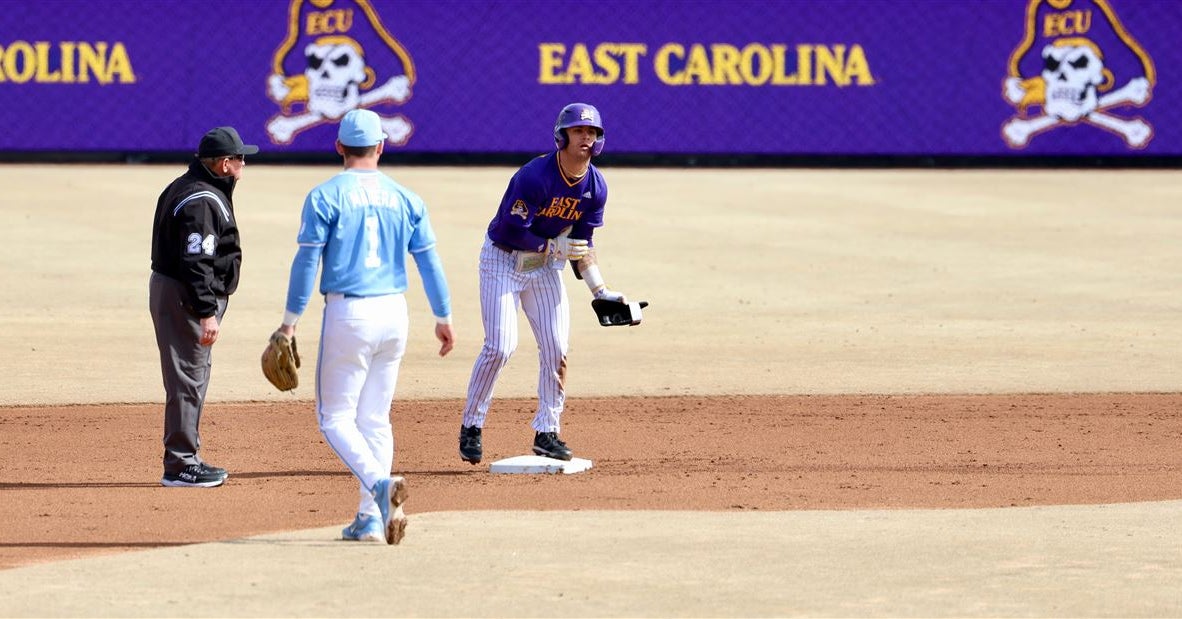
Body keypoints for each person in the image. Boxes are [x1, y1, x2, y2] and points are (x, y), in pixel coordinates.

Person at [273, 108, 454, 545]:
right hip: (395, 313)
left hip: (349, 313)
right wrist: (443, 315)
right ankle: (370, 519)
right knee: (374, 418)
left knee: (334, 417)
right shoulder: (407, 197)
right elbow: (428, 260)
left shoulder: (325, 195)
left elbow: (307, 262)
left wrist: (289, 323)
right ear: (380, 146)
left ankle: (379, 484)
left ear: (338, 147)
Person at [458, 102, 628, 465]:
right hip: (502, 259)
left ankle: (547, 431)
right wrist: (553, 247)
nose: (586, 137)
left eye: (592, 132)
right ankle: (472, 424)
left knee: (557, 348)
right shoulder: (534, 176)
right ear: (562, 135)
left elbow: (583, 247)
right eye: (579, 130)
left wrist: (601, 291)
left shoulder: (595, 187)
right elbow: (508, 231)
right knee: (501, 346)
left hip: (543, 266)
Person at [150, 126, 258, 488]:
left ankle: (184, 458)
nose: (244, 162)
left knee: (190, 375)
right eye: (240, 157)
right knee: (188, 378)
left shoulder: (185, 185)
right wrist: (207, 311)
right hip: (186, 296)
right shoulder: (202, 201)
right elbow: (197, 262)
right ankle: (181, 465)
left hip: (177, 291)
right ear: (225, 163)